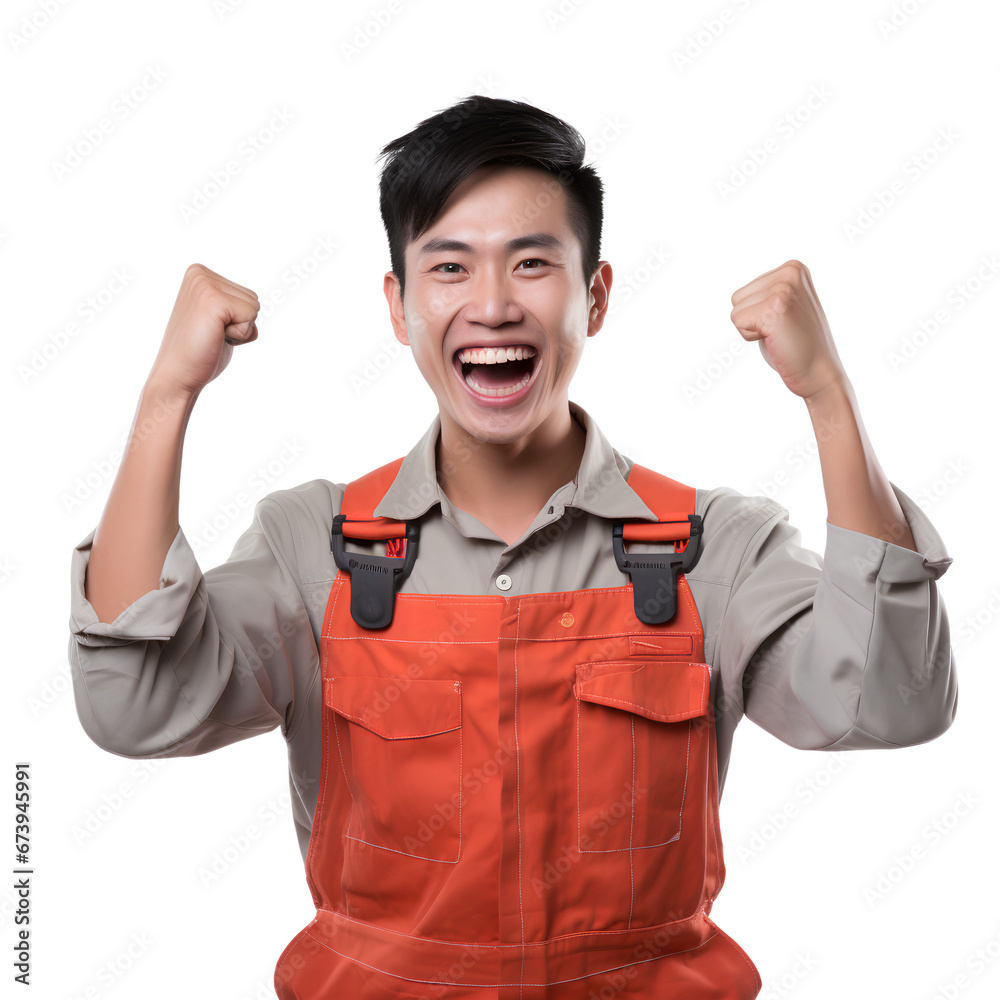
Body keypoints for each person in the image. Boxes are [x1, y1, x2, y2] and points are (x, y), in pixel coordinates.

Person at [67, 95, 957, 998]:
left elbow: (893, 704)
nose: (491, 305)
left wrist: (830, 398)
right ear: (399, 305)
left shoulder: (712, 551)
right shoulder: (318, 551)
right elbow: (134, 708)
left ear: (596, 297)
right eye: (448, 267)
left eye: (533, 264)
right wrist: (167, 395)